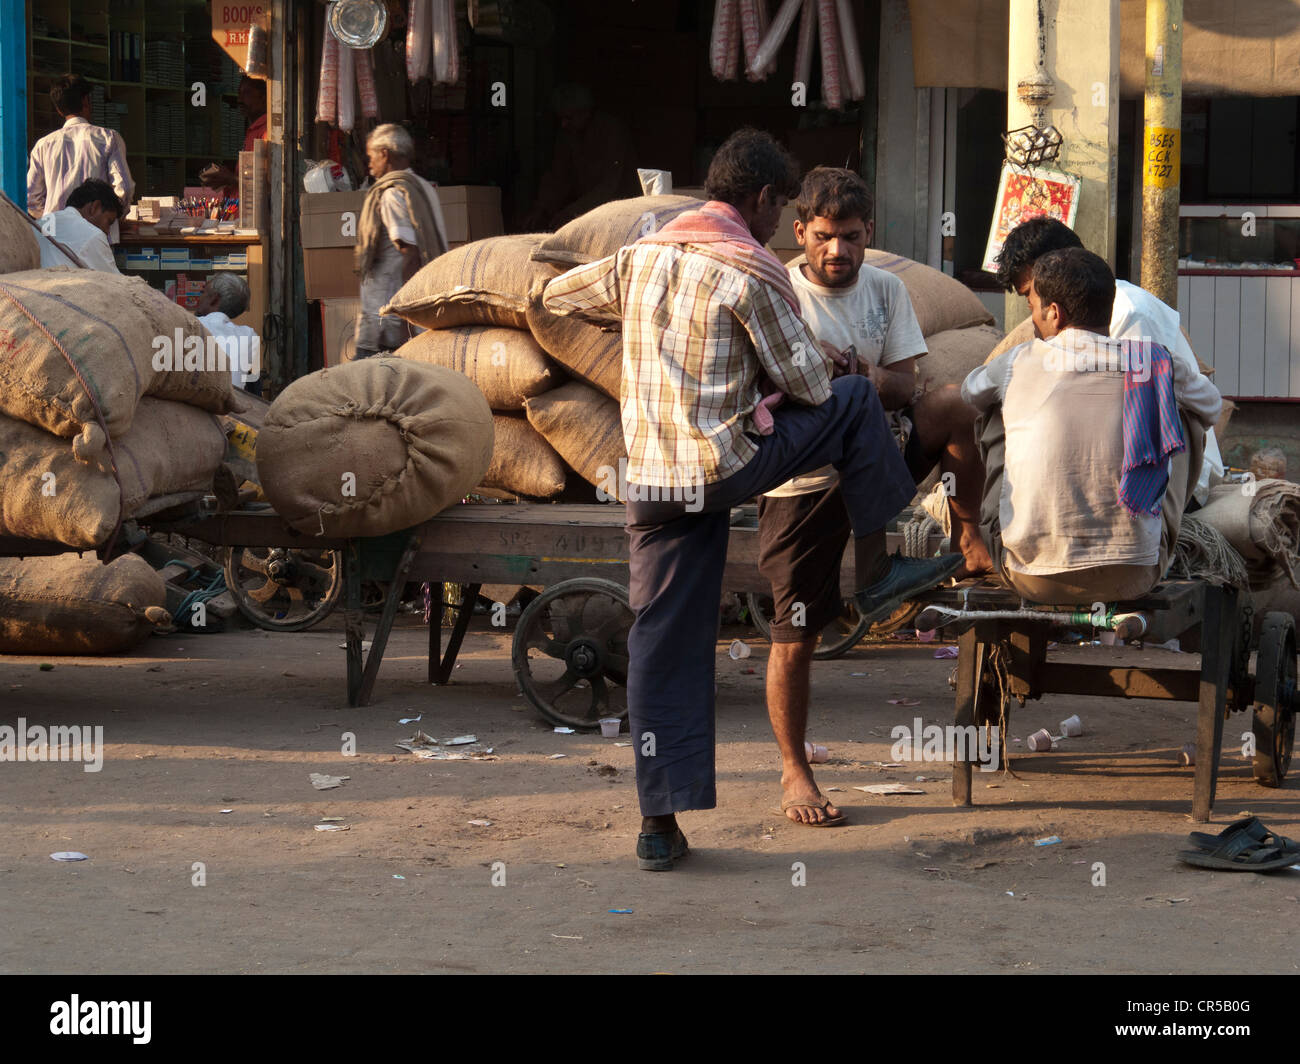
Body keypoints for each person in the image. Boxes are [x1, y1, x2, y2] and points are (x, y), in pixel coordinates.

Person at [541, 129, 962, 871]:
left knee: (661, 643)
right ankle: (885, 559)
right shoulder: (753, 269)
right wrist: (819, 366)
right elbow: (811, 390)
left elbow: (554, 293)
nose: (782, 230)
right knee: (858, 400)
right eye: (781, 213)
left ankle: (658, 825)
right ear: (766, 201)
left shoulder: (638, 257)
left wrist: (631, 314)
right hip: (727, 467)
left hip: (653, 483)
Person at [757, 166, 992, 826]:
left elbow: (906, 385)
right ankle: (794, 770)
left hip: (880, 455)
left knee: (952, 405)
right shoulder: (775, 291)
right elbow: (759, 392)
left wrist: (861, 373)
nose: (839, 251)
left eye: (852, 237)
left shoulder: (885, 290)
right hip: (801, 483)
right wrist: (815, 379)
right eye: (825, 236)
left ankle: (969, 539)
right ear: (799, 232)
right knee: (795, 636)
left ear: (869, 235)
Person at [962, 248, 1221, 603]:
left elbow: (968, 392)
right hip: (1136, 573)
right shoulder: (1151, 361)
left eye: (1033, 307)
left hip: (1029, 575)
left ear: (1055, 313)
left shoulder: (1017, 361)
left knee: (992, 410)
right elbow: (1211, 406)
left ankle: (994, 536)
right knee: (1187, 415)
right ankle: (1141, 520)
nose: (1033, 319)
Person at [993, 216, 1225, 504]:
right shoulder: (1064, 328)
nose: (1034, 310)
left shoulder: (1130, 314)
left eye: (1031, 295)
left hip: (1160, 486)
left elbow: (1140, 420)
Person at [353, 123, 448, 358]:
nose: (370, 163)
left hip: (386, 325)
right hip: (409, 320)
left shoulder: (393, 193)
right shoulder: (423, 187)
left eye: (371, 156)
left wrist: (406, 318)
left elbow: (411, 253)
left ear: (385, 154)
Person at [27, 74, 134, 244]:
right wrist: (112, 217)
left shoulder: (43, 145)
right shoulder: (108, 138)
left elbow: (31, 198)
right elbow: (125, 188)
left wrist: (51, 219)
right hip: (96, 234)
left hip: (54, 237)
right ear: (86, 100)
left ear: (59, 110)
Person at [520, 84, 640, 230]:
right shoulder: (568, 134)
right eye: (561, 118)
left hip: (622, 213)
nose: (564, 124)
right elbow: (559, 176)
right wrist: (542, 208)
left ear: (586, 112)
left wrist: (572, 212)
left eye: (569, 117)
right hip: (587, 212)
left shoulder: (612, 132)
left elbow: (610, 185)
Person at [198, 76, 269, 195]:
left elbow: (269, 184)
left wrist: (231, 179)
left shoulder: (268, 131)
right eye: (239, 93)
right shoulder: (253, 130)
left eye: (247, 93)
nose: (239, 99)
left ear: (264, 97)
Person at [37, 178, 123, 273]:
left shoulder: (39, 223)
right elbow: (116, 283)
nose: (107, 232)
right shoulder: (93, 235)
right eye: (109, 222)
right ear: (95, 207)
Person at [195, 273, 261, 392]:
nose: (199, 298)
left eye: (203, 293)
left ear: (214, 299)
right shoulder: (249, 335)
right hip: (232, 402)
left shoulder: (191, 325)